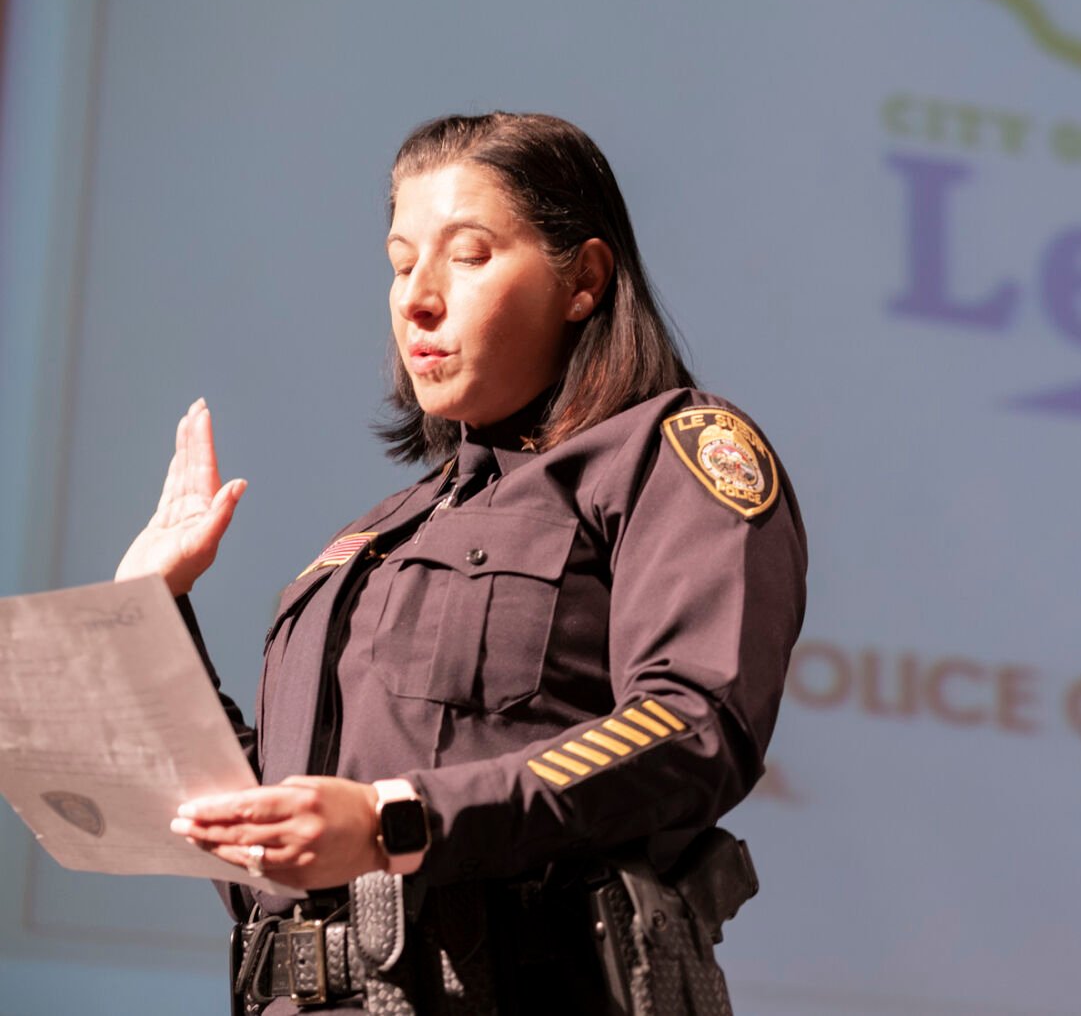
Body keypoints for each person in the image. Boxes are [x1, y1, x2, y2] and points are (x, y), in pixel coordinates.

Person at [117, 112, 809, 1014]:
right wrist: (148, 616)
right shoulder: (376, 536)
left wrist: (395, 821)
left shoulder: (666, 452)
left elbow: (691, 724)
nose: (416, 298)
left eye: (468, 255)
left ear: (583, 281)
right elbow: (256, 836)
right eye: (401, 263)